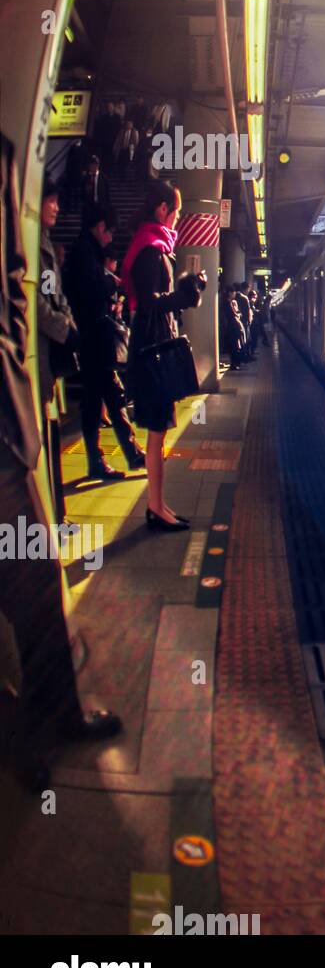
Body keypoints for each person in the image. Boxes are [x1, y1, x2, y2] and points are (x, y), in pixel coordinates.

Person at [0, 141, 121, 792]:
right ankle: (29, 735)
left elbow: (14, 286)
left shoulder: (4, 156)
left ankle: (52, 719)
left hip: (4, 432)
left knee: (39, 584)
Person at [120, 180, 206, 531]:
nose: (178, 216)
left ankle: (158, 504)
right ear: (162, 209)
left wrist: (185, 289)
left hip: (153, 341)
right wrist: (185, 295)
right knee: (156, 431)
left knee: (158, 432)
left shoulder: (152, 246)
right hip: (152, 346)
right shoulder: (151, 249)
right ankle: (155, 508)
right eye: (177, 209)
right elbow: (151, 302)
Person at [62, 203, 145, 480]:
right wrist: (111, 284)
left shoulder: (87, 251)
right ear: (99, 227)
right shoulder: (84, 253)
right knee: (96, 399)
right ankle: (102, 461)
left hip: (94, 340)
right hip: (91, 340)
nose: (110, 238)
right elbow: (89, 291)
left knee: (109, 396)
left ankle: (129, 454)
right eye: (109, 232)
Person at [37, 179, 78, 522]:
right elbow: (36, 303)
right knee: (41, 435)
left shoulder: (45, 243)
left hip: (49, 351)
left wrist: (65, 319)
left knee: (50, 432)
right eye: (51, 201)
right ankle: (49, 518)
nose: (57, 207)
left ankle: (55, 515)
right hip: (37, 354)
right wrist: (64, 326)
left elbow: (53, 293)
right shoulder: (29, 242)